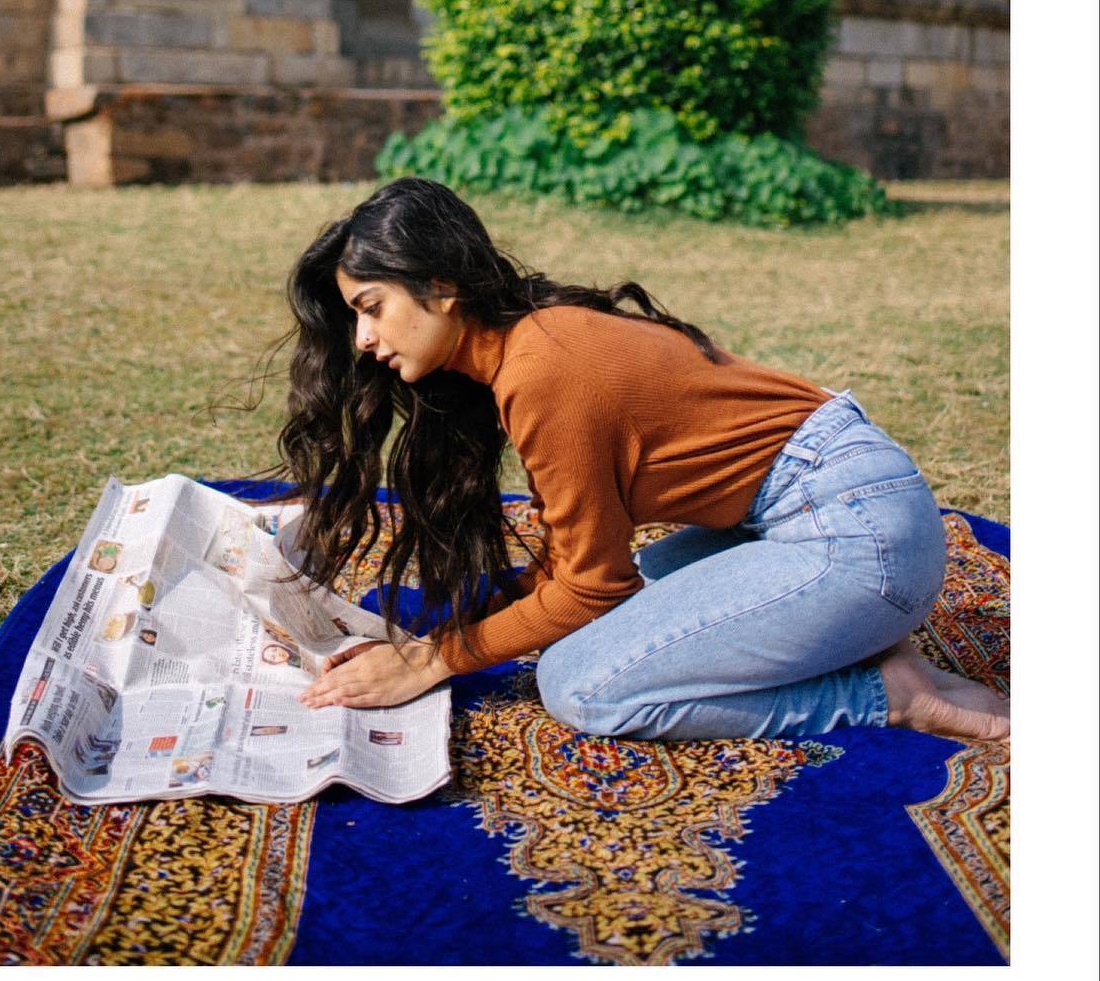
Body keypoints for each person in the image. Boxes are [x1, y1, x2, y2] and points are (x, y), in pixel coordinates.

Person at [283, 177, 1009, 743]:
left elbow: (592, 587)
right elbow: (580, 564)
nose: (362, 339)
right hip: (818, 510)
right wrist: (465, 632)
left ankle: (889, 694)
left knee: (582, 685)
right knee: (583, 627)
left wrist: (438, 659)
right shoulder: (530, 347)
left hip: (862, 535)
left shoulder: (543, 369)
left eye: (371, 307)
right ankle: (852, 642)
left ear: (441, 287)